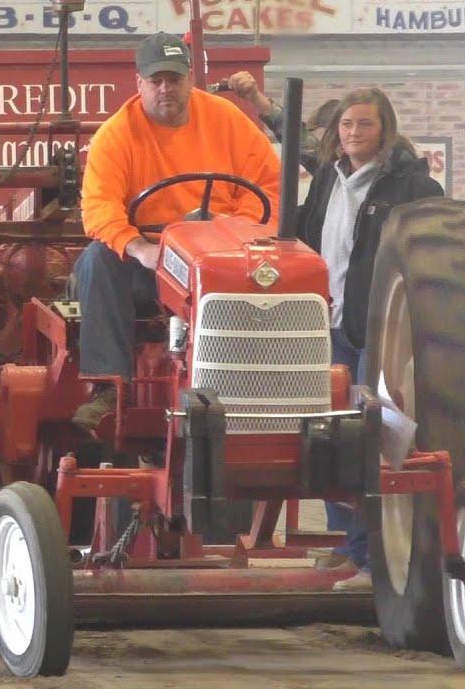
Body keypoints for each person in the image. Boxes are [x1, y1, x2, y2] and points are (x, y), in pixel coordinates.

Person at [71, 32, 282, 428]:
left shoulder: (226, 120)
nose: (165, 88)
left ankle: (267, 382)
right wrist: (138, 248)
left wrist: (236, 229)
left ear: (189, 79)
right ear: (140, 83)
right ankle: (109, 386)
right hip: (151, 262)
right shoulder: (116, 136)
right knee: (98, 260)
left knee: (277, 267)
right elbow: (100, 209)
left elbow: (266, 184)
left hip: (221, 251)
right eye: (156, 80)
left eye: (174, 78)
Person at [294, 86, 444, 592]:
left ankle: (375, 559)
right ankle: (350, 545)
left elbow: (426, 247)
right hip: (329, 323)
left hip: (378, 327)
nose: (354, 133)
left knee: (369, 438)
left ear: (385, 130)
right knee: (330, 437)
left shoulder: (409, 185)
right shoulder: (327, 182)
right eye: (346, 125)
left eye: (364, 124)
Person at [225, 70, 340, 174]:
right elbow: (298, 138)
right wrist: (256, 98)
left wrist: (257, 99)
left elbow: (297, 138)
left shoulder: (337, 168)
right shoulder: (327, 168)